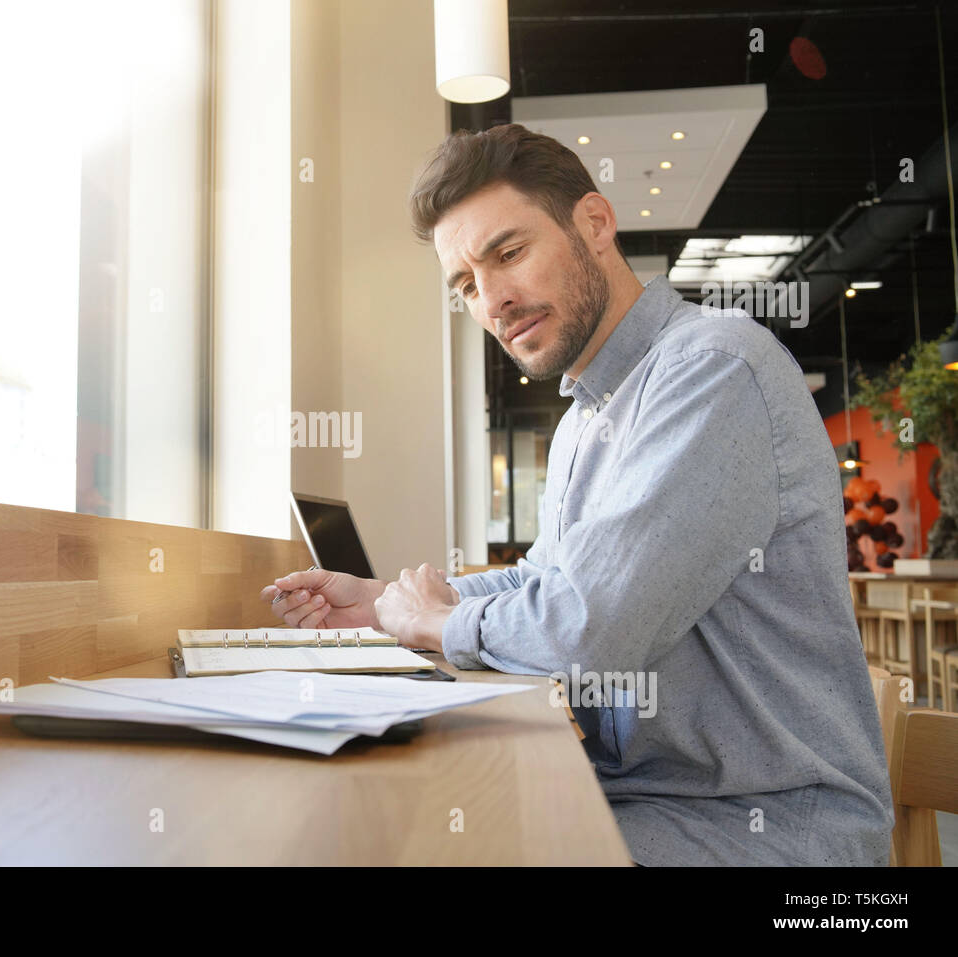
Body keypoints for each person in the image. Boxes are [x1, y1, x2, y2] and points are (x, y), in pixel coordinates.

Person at [260, 124, 894, 866]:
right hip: (647, 796)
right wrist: (381, 607)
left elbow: (587, 630)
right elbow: (546, 583)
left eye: (508, 253)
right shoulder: (584, 419)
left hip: (767, 827)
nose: (493, 300)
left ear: (594, 223)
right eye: (466, 285)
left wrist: (439, 623)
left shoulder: (714, 368)